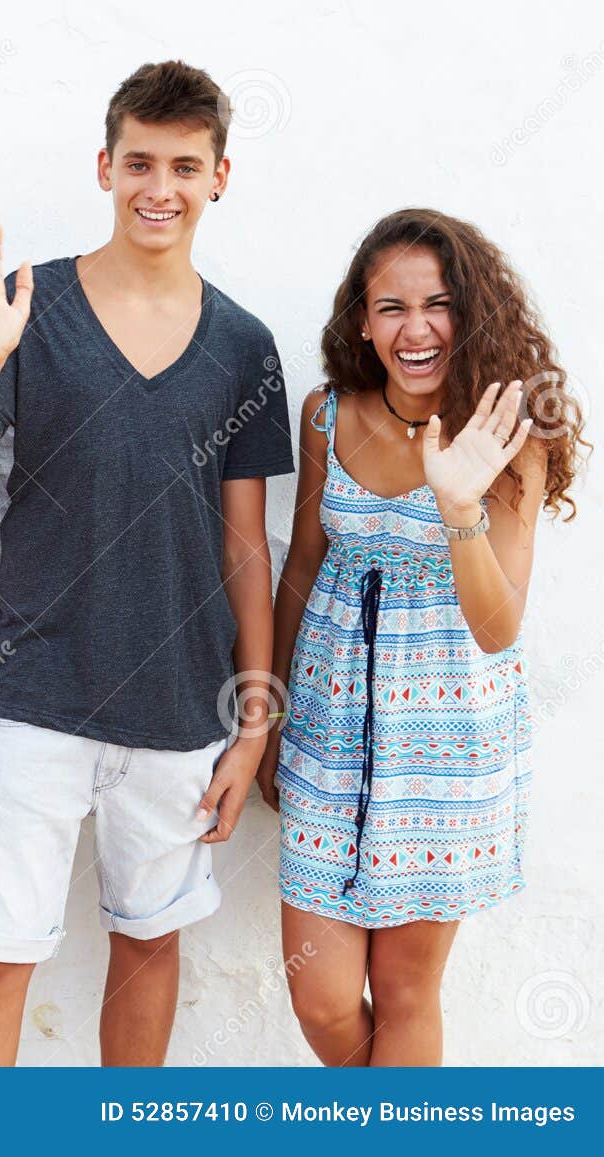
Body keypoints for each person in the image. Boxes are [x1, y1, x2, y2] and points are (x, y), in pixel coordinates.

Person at [0, 61, 296, 1066]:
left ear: (220, 177)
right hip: (32, 697)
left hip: (179, 711)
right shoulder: (19, 308)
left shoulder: (244, 346)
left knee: (147, 948)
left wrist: (252, 722)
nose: (157, 187)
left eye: (183, 165)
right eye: (138, 163)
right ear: (103, 166)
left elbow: (245, 545)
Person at [261, 208, 585, 1065]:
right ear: (361, 321)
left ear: (469, 314)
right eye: (391, 306)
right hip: (327, 734)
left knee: (406, 994)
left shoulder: (512, 436)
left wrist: (459, 508)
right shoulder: (326, 415)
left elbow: (497, 625)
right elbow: (301, 567)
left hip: (445, 745)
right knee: (324, 998)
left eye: (437, 305)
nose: (415, 329)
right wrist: (268, 717)